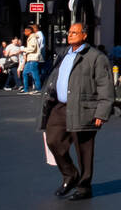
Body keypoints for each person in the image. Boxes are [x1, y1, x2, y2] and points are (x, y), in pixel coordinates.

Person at [39, 21, 115, 200]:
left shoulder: (96, 57)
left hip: (84, 108)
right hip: (60, 106)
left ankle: (84, 187)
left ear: (84, 35)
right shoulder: (64, 54)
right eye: (69, 32)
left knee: (84, 149)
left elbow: (105, 85)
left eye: (75, 32)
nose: (70, 35)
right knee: (53, 140)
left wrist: (102, 112)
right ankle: (70, 174)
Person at [21, 26, 42, 93]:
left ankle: (38, 89)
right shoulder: (30, 38)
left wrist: (23, 49)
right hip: (29, 59)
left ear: (29, 31)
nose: (24, 33)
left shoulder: (33, 38)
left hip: (33, 58)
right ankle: (26, 89)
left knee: (35, 74)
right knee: (24, 73)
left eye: (25, 31)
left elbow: (32, 48)